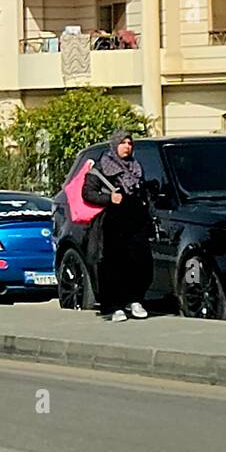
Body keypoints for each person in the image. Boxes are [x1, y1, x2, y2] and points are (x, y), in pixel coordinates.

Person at [82, 129, 154, 321]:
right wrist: (108, 198)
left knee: (140, 263)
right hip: (110, 225)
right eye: (123, 143)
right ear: (114, 145)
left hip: (135, 223)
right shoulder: (101, 167)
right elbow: (88, 193)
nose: (127, 147)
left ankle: (135, 300)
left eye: (130, 143)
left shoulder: (136, 167)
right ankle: (114, 306)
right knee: (113, 265)